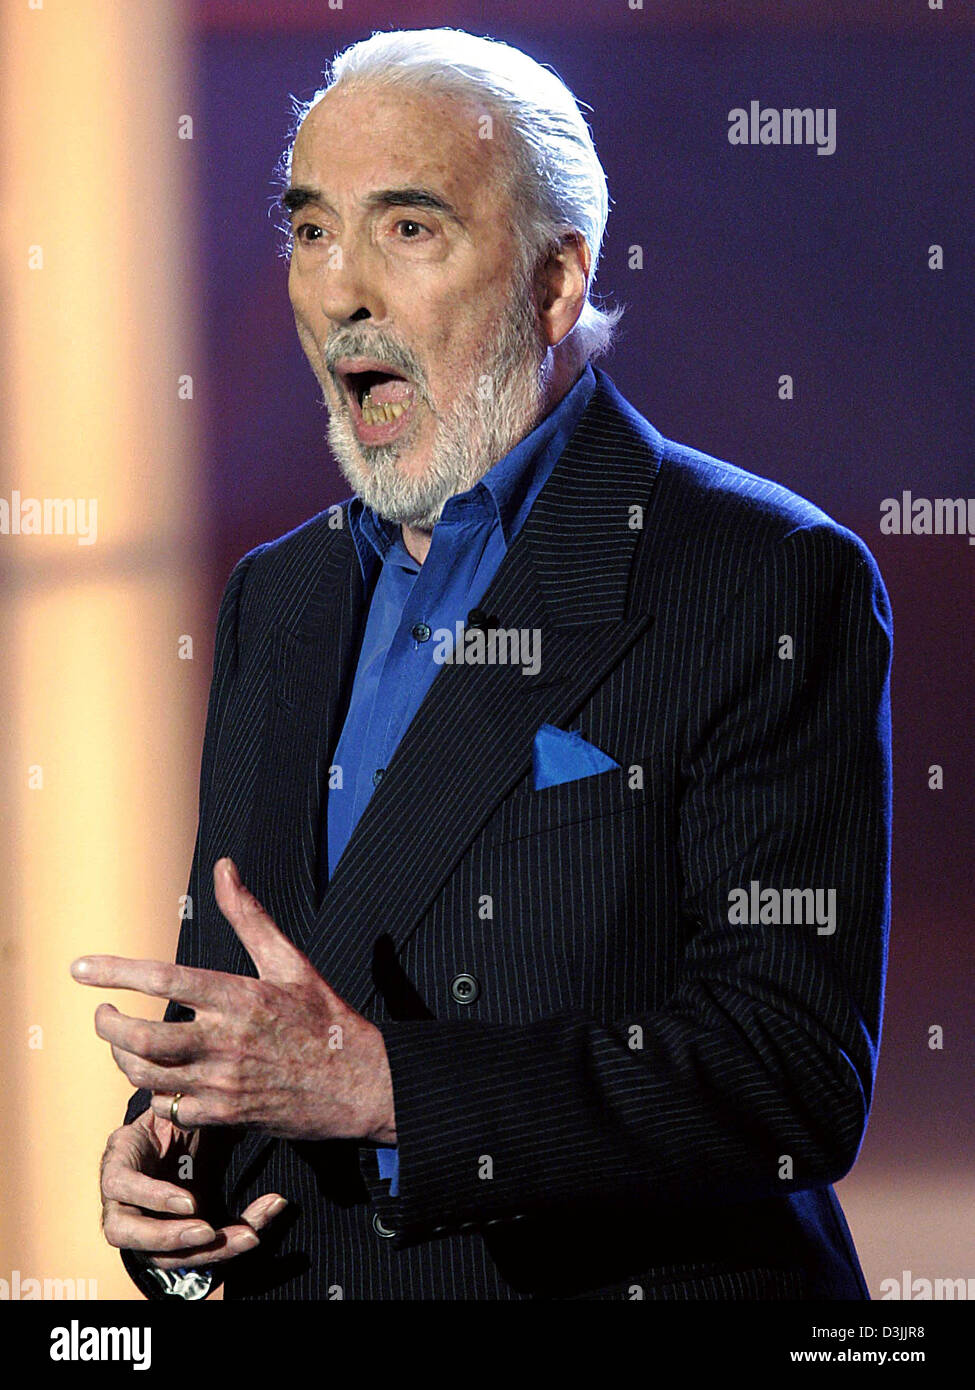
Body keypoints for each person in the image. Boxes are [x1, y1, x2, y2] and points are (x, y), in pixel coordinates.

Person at [72, 28, 892, 1301]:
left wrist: (377, 1087)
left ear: (555, 283)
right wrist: (171, 1177)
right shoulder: (274, 602)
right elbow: (254, 1020)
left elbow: (786, 1074)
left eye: (407, 229)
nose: (339, 288)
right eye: (310, 231)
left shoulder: (760, 575)